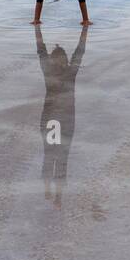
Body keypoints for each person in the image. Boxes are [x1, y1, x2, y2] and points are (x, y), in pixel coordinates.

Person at [34, 23, 86, 208]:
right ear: (64, 60)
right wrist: (84, 30)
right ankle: (54, 192)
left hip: (52, 120)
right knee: (58, 155)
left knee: (54, 155)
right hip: (62, 121)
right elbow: (78, 54)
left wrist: (37, 28)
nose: (61, 61)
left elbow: (42, 51)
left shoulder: (51, 71)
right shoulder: (69, 73)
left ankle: (53, 191)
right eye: (62, 58)